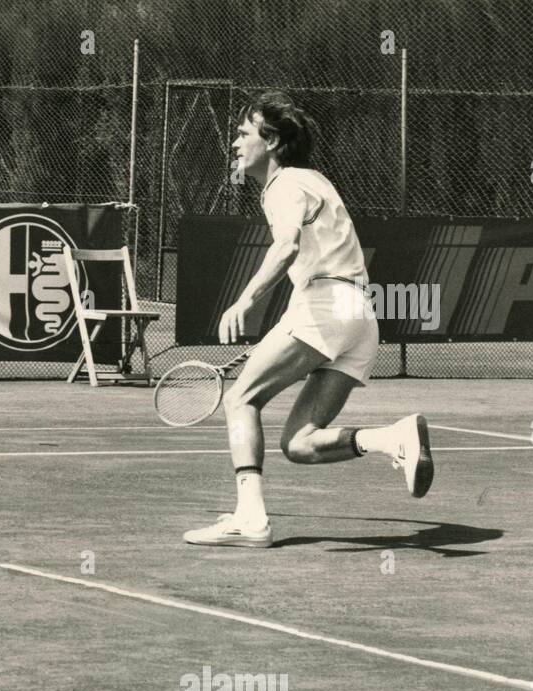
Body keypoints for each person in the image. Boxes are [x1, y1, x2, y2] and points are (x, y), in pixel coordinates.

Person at [184, 90, 433, 549]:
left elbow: (287, 248)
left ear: (273, 141)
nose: (235, 145)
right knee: (298, 444)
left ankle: (251, 518)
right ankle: (391, 438)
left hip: (328, 307)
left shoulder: (283, 186)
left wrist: (244, 301)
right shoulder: (315, 180)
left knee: (241, 400)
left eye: (243, 134)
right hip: (358, 315)